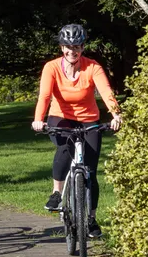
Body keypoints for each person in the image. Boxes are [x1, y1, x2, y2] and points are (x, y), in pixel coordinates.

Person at [31, 24, 121, 238]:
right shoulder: (51, 68)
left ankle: (91, 219)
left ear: (82, 47)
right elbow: (44, 96)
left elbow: (106, 91)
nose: (73, 51)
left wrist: (116, 114)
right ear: (62, 48)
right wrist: (38, 120)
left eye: (77, 46)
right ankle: (56, 193)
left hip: (89, 119)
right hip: (60, 117)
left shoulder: (92, 67)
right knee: (65, 146)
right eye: (68, 47)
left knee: (90, 171)